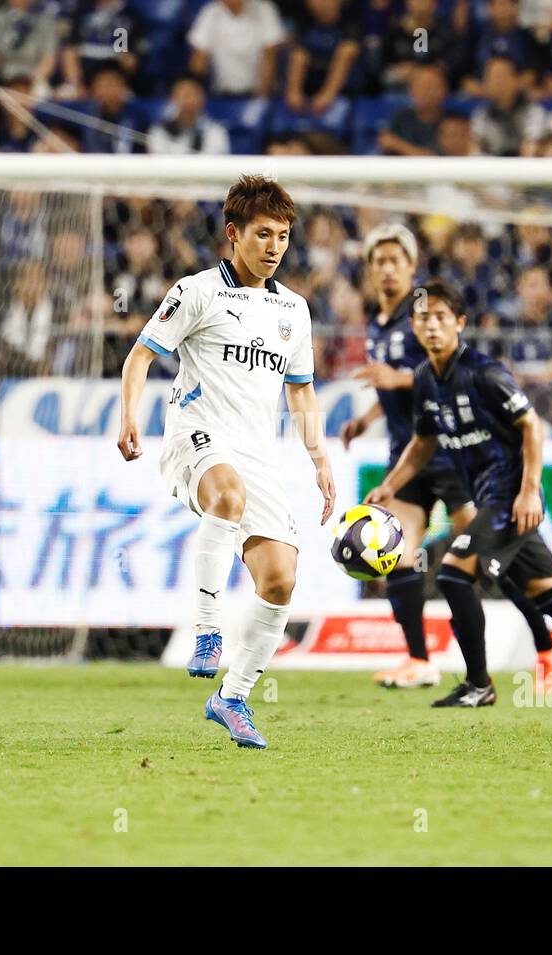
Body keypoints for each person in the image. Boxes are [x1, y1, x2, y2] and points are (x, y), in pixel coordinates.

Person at [117, 175, 335, 749]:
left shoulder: (294, 310)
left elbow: (301, 392)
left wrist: (319, 459)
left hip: (258, 451)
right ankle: (207, 630)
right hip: (196, 435)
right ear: (234, 233)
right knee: (228, 495)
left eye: (284, 237)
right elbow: (139, 356)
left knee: (281, 580)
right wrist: (129, 417)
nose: (274, 247)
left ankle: (232, 697)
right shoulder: (196, 293)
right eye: (263, 234)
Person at [365, 279, 552, 709]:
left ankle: (479, 685)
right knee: (549, 592)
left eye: (442, 317)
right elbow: (423, 442)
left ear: (460, 322)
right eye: (424, 318)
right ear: (413, 326)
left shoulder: (484, 373)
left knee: (452, 575)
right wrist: (389, 485)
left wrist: (529, 492)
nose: (433, 326)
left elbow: (531, 425)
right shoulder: (424, 378)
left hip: (509, 497)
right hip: (488, 498)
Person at [341, 224, 552, 692]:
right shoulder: (377, 321)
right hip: (408, 456)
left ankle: (547, 643)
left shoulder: (421, 315)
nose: (386, 269)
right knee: (395, 555)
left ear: (411, 265)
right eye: (378, 261)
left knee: (493, 559)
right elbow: (407, 388)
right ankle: (419, 660)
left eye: (395, 261)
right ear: (369, 269)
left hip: (455, 457)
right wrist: (367, 417)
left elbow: (427, 377)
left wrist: (393, 380)